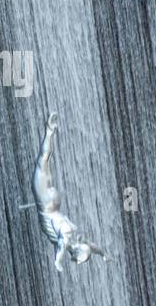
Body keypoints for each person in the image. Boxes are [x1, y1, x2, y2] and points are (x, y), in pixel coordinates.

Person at [29, 114, 106, 271]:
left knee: (44, 160)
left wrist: (102, 253)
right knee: (42, 161)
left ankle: (50, 132)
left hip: (50, 204)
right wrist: (58, 261)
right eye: (76, 258)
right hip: (45, 203)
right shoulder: (68, 233)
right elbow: (62, 245)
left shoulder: (77, 238)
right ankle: (49, 131)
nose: (74, 259)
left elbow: (91, 246)